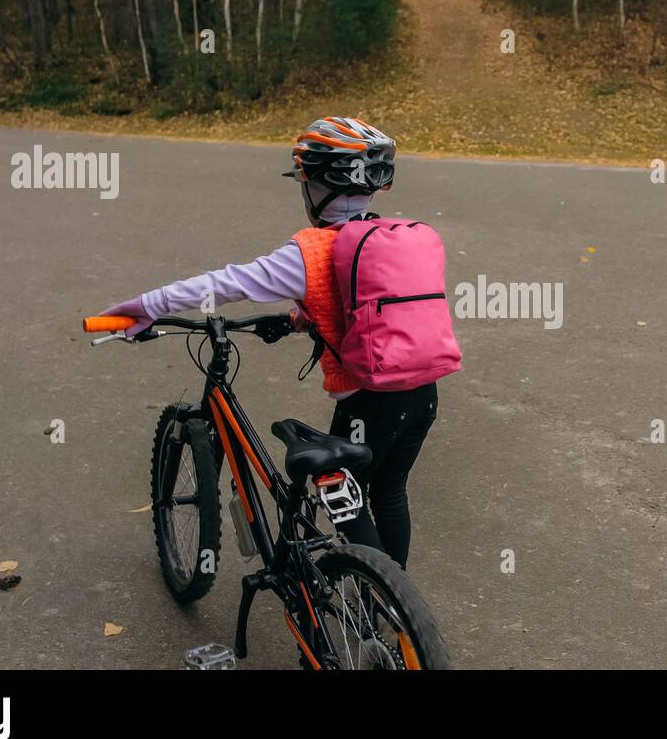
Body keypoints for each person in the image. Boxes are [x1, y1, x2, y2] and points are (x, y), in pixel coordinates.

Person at [100, 117, 444, 570]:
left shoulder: (312, 250)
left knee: (345, 497)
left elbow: (227, 283)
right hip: (422, 395)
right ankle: (397, 601)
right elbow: (373, 306)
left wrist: (146, 304)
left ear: (318, 185)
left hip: (369, 403)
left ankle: (380, 602)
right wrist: (304, 318)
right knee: (388, 489)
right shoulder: (396, 238)